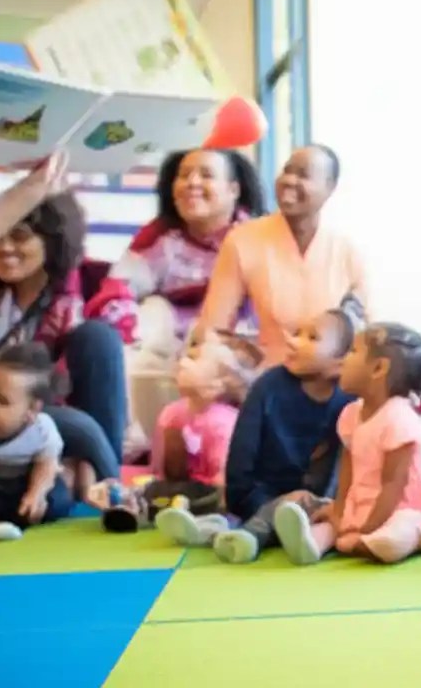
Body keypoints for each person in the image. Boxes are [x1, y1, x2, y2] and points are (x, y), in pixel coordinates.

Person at [154, 309, 354, 562]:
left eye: (312, 338)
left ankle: (212, 531)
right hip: (260, 497)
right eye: (296, 334)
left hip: (315, 504)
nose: (293, 341)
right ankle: (239, 533)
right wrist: (250, 498)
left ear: (340, 362)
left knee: (309, 516)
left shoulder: (350, 401)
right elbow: (242, 454)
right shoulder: (268, 387)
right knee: (263, 514)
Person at [0, 191, 127, 494]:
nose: (4, 248)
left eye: (19, 236)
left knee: (98, 338)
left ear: (51, 238)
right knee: (75, 428)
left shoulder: (93, 283)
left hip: (47, 417)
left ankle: (102, 482)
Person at [274, 322, 421, 566]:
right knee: (335, 526)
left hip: (405, 505)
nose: (343, 359)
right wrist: (341, 512)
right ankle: (312, 543)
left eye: (353, 351)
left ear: (378, 368)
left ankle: (381, 542)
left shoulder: (399, 418)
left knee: (402, 528)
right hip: (368, 496)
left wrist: (369, 527)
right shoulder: (351, 414)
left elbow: (393, 484)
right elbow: (347, 469)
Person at [197, 145, 368, 368]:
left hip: (333, 382)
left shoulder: (346, 247)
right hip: (269, 378)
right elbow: (213, 329)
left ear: (330, 187)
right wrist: (245, 363)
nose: (289, 180)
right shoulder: (242, 240)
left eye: (303, 174)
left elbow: (366, 332)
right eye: (287, 171)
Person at [86, 148, 266, 348]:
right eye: (184, 175)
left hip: (242, 348)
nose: (193, 182)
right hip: (168, 352)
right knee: (154, 310)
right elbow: (116, 293)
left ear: (234, 190)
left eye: (206, 175)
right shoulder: (159, 239)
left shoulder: (261, 240)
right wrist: (129, 331)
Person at [87, 329, 261, 533]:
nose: (182, 360)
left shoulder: (223, 423)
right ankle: (133, 508)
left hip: (214, 494)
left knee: (204, 500)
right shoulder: (171, 414)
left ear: (218, 383)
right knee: (138, 487)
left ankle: (186, 519)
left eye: (194, 359)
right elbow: (159, 472)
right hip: (178, 490)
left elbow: (225, 481)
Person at [0, 343, 76, 540]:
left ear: (31, 411)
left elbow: (46, 464)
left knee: (58, 498)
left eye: (0, 401)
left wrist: (36, 494)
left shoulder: (41, 430)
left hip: (23, 484)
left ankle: (21, 517)